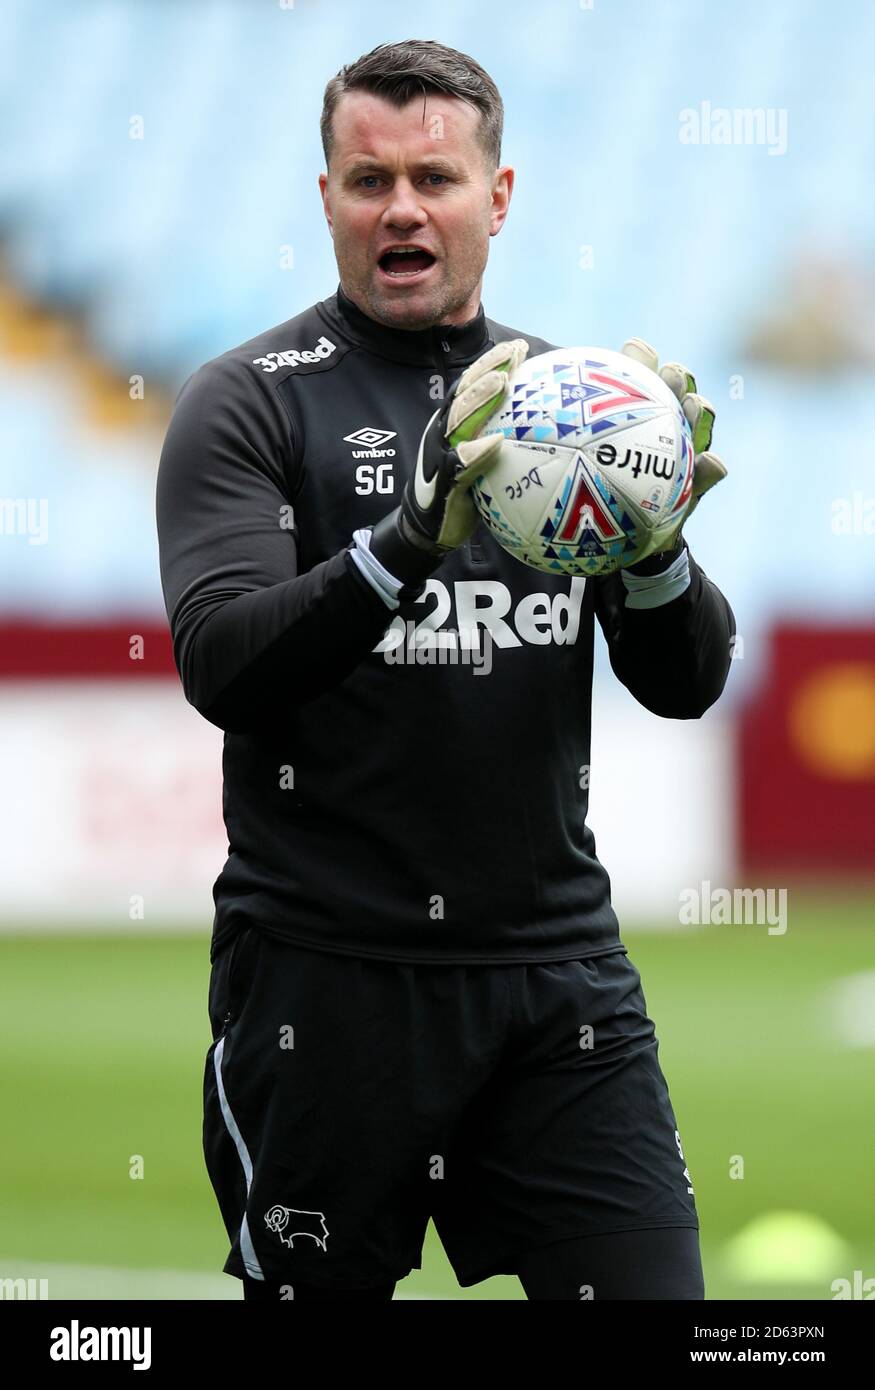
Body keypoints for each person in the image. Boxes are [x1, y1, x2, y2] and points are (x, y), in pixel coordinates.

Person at [156, 38, 734, 1301]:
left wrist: (655, 549)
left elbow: (686, 682)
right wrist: (406, 541)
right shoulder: (247, 402)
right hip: (324, 988)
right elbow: (221, 662)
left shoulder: (575, 415)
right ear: (326, 201)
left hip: (555, 983)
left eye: (435, 176)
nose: (402, 207)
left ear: (498, 194)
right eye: (368, 181)